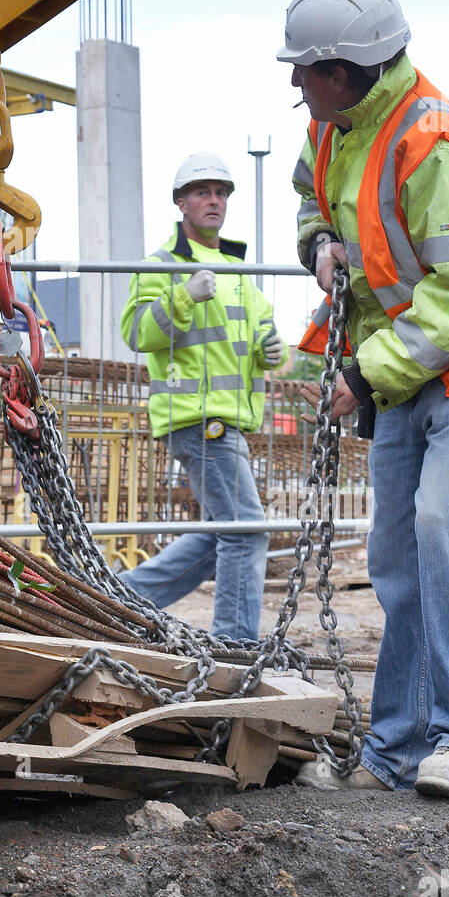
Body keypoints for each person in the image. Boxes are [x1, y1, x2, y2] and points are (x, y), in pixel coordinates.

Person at [280, 0, 449, 799]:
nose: (293, 82)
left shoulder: (432, 143)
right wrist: (317, 243)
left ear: (344, 69)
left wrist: (361, 370)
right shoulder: (330, 128)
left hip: (445, 371)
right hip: (398, 376)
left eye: (304, 69)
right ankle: (395, 753)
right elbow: (309, 200)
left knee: (438, 530)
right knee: (393, 560)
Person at [119, 152, 285, 643]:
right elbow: (136, 331)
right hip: (197, 419)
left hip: (228, 420)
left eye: (221, 193)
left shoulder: (238, 271)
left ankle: (118, 598)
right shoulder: (161, 266)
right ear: (181, 203)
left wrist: (270, 348)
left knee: (221, 536)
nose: (213, 201)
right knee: (245, 530)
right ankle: (235, 643)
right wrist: (183, 296)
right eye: (201, 192)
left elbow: (258, 335)